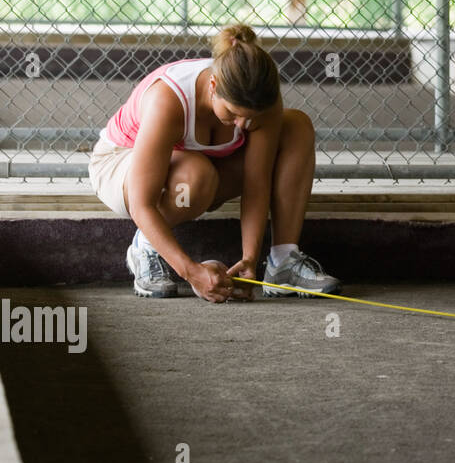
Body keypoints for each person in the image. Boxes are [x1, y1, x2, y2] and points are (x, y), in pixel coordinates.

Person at [88, 24, 340, 303]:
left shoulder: (259, 98)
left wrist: (249, 259)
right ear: (213, 86)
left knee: (296, 127)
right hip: (121, 166)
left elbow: (257, 182)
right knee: (195, 175)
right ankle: (146, 247)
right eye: (233, 113)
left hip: (199, 170)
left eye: (251, 118)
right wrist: (191, 272)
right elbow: (141, 203)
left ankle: (283, 263)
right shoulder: (168, 99)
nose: (243, 125)